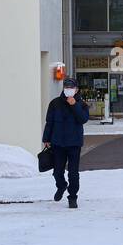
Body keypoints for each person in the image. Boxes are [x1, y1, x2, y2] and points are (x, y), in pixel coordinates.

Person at [43, 79, 90, 209]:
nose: (68, 89)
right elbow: (49, 122)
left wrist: (74, 105)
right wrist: (46, 138)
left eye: (71, 87)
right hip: (58, 142)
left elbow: (83, 119)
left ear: (76, 90)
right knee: (57, 171)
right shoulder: (55, 103)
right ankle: (61, 185)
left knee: (73, 173)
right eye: (66, 87)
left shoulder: (82, 104)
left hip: (74, 143)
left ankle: (73, 197)